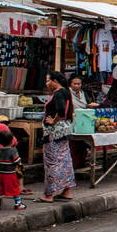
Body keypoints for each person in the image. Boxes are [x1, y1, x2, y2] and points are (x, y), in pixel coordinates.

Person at [40, 70, 75, 202]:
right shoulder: (66, 92)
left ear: (55, 81)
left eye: (49, 80)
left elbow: (61, 111)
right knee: (65, 160)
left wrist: (53, 121)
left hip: (53, 133)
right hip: (64, 132)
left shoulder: (59, 93)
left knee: (52, 162)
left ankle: (49, 194)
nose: (47, 83)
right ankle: (66, 190)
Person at [0, 128, 24, 211]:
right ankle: (18, 204)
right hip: (10, 174)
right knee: (15, 188)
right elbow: (17, 161)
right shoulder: (13, 151)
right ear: (12, 141)